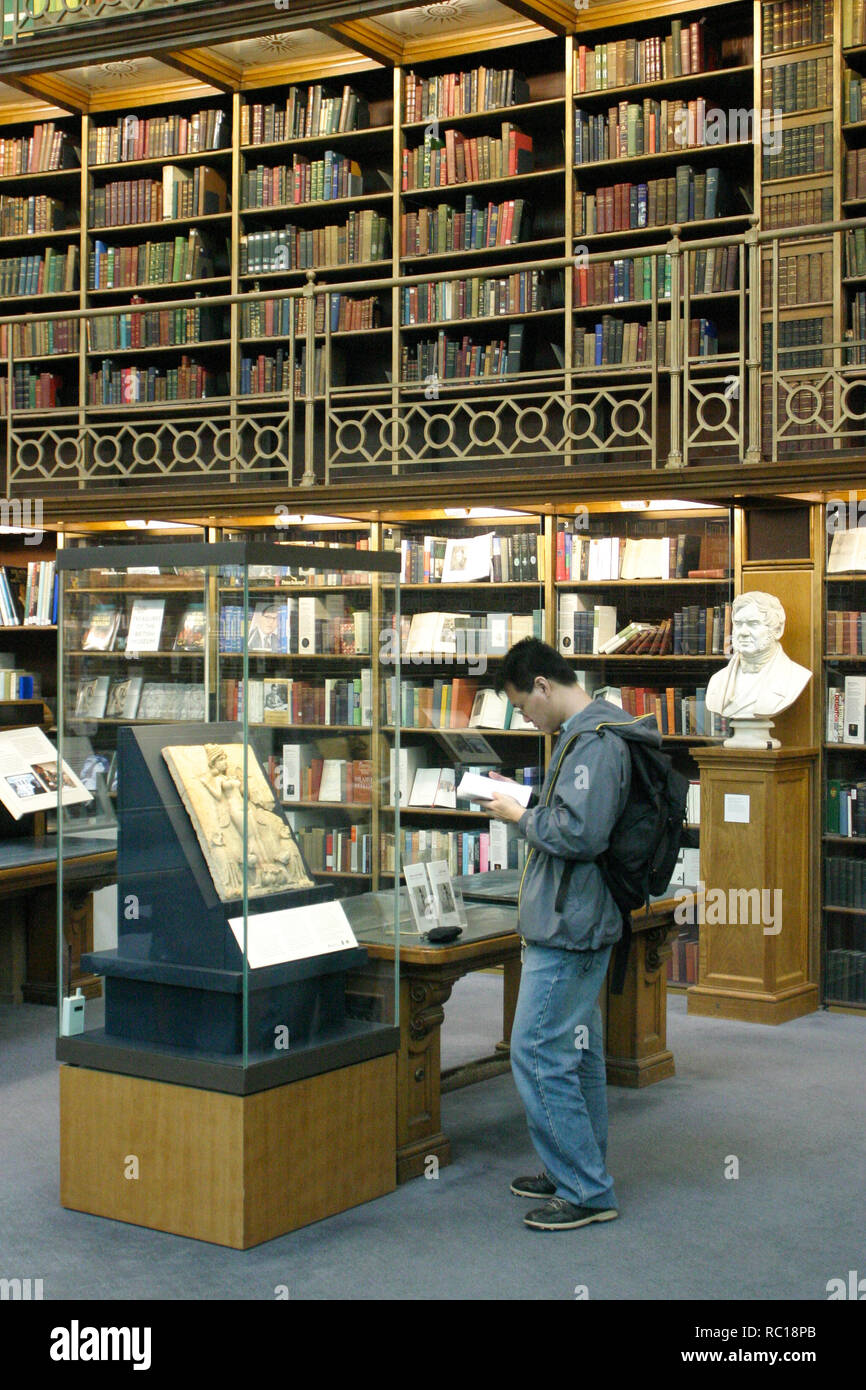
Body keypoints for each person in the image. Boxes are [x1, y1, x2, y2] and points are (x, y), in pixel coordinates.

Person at [484, 637, 661, 1232]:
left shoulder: (593, 742)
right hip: (581, 915)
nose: (525, 718)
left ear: (542, 685)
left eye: (523, 706)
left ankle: (585, 1189)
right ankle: (577, 1170)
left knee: (536, 1052)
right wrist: (531, 802)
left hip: (571, 922)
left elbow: (581, 836)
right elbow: (583, 820)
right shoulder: (598, 733)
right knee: (576, 1053)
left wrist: (520, 816)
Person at [705, 591, 810, 722]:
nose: (742, 632)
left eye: (753, 624)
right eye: (738, 624)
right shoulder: (717, 680)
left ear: (777, 630)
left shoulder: (795, 677)